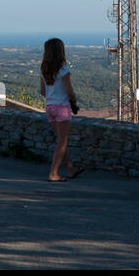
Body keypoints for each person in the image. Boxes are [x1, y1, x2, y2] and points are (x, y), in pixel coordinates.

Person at [40, 37, 79, 181]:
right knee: (62, 142)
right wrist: (74, 100)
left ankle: (70, 168)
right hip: (62, 108)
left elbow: (43, 91)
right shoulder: (64, 69)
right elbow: (69, 91)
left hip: (49, 107)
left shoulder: (43, 69)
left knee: (60, 141)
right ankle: (53, 173)